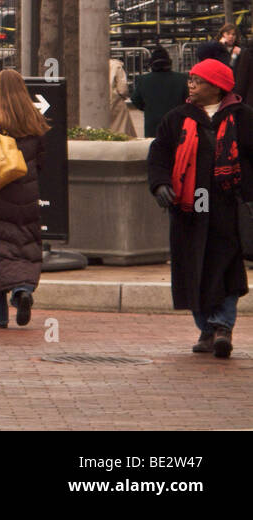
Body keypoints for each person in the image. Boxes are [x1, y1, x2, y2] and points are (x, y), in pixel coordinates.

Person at [147, 57, 253, 358]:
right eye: (190, 79)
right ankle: (206, 329)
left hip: (226, 207)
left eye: (197, 80)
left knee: (226, 268)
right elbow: (159, 155)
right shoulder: (177, 118)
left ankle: (222, 327)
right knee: (193, 268)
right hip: (188, 209)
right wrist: (160, 184)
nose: (190, 85)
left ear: (217, 87)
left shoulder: (242, 117)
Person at [0, 69, 48, 328]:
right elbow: (43, 160)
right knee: (24, 246)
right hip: (25, 196)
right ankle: (22, 291)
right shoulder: (33, 118)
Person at [131, 47, 189, 140]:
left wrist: (148, 108)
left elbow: (135, 100)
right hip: (177, 122)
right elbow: (188, 100)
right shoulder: (182, 79)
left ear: (151, 64)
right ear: (169, 63)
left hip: (153, 125)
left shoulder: (143, 80)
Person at [108, 57, 137, 136]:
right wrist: (124, 96)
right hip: (114, 101)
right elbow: (122, 89)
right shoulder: (116, 66)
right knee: (120, 129)